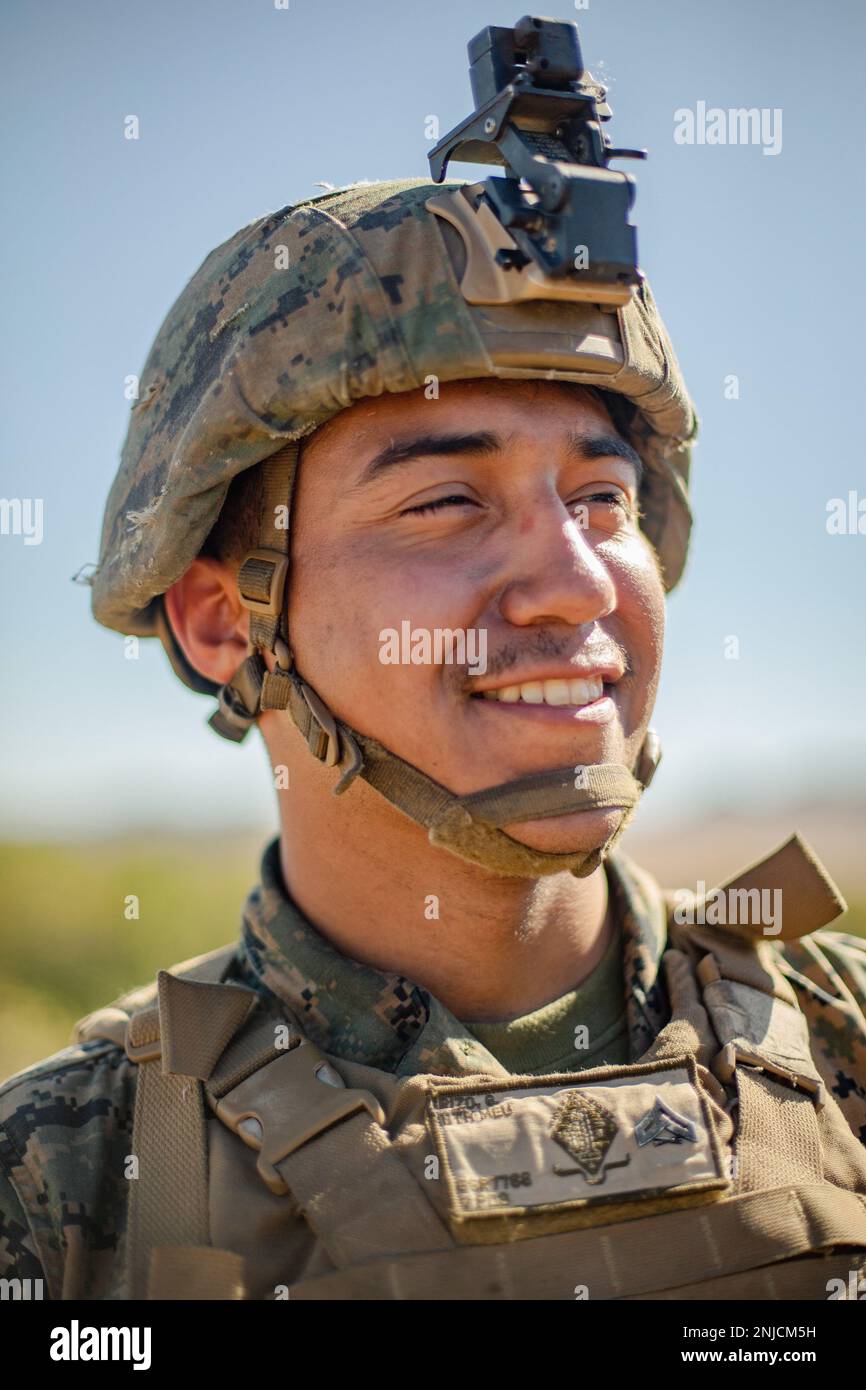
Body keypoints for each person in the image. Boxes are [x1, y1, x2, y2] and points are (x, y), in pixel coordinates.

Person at [2, 59, 866, 1304]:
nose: (570, 585)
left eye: (600, 499)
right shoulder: (72, 1178)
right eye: (445, 501)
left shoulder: (836, 1040)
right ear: (221, 623)